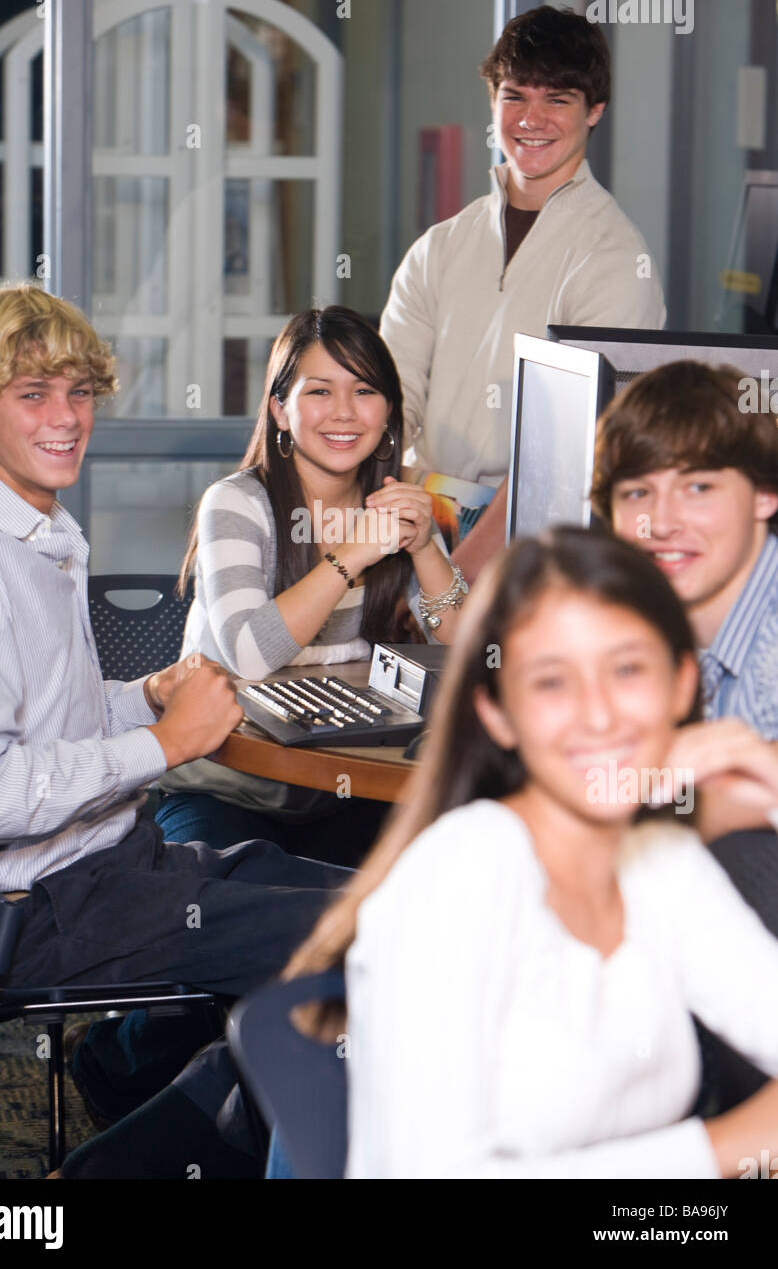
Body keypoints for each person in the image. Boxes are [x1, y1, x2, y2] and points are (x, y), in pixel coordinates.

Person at [0, 281, 351, 1153]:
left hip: (114, 861)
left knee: (374, 904)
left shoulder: (35, 526)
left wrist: (142, 696)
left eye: (79, 393)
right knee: (363, 951)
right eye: (32, 395)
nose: (66, 417)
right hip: (52, 903)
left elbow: (48, 724)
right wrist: (161, 744)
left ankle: (143, 1085)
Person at [285, 526, 778, 1177]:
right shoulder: (461, 876)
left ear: (683, 684)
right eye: (551, 682)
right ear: (497, 713)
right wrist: (725, 1146)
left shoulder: (662, 861)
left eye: (628, 669)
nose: (598, 715)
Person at [154, 304, 465, 865]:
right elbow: (250, 653)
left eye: (365, 391)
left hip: (343, 788)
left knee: (439, 873)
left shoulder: (397, 504)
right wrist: (354, 553)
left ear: (389, 411)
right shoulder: (236, 504)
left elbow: (469, 649)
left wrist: (424, 550)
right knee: (241, 912)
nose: (343, 413)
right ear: (280, 409)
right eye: (319, 391)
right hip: (224, 785)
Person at [380, 5, 666, 581]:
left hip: (539, 553)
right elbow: (390, 400)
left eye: (557, 99)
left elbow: (566, 451)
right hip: (418, 534)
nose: (532, 119)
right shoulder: (440, 247)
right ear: (493, 101)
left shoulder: (613, 259)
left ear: (595, 112)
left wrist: (454, 578)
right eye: (515, 96)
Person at [591, 360, 778, 845]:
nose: (662, 521)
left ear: (765, 494)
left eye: (698, 487)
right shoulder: (625, 621)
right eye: (637, 492)